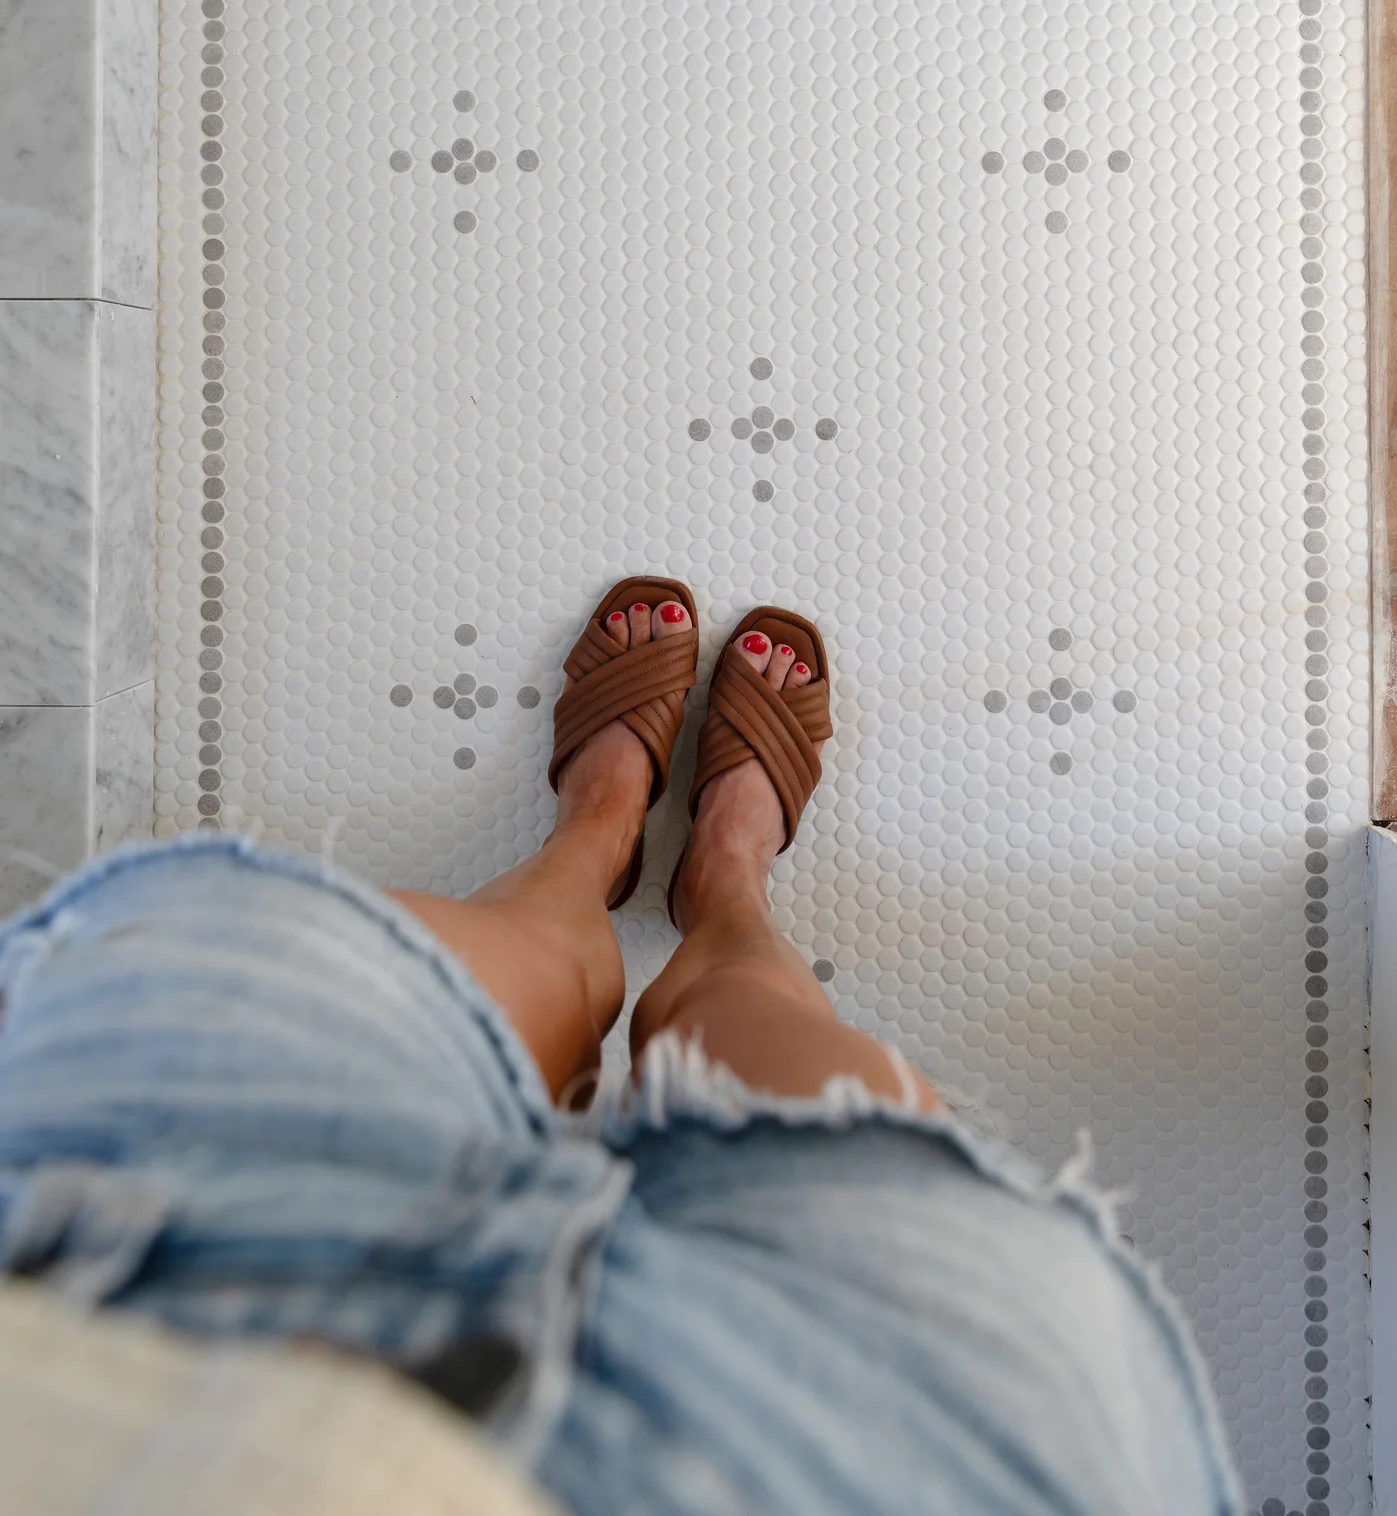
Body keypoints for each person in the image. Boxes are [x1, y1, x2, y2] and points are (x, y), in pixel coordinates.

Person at [0, 580, 1239, 1516]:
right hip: (864, 1453)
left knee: (250, 959)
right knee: (801, 1063)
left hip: (123, 1282)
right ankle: (726, 885)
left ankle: (593, 849)